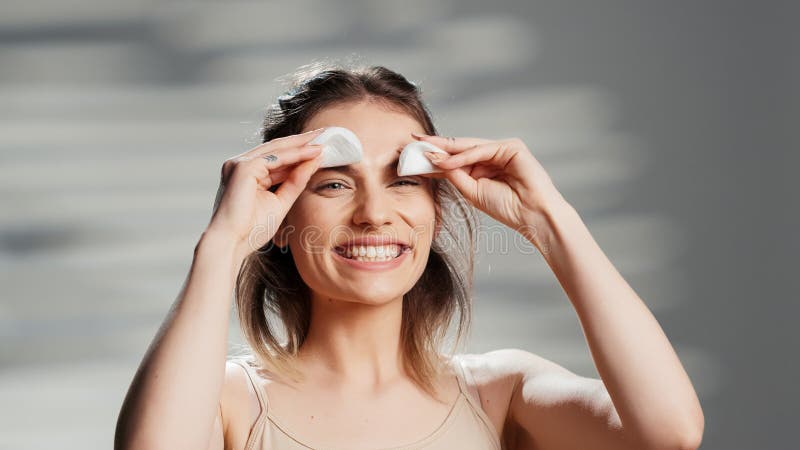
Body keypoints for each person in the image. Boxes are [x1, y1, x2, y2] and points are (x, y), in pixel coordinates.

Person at [115, 62, 704, 450]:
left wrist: (547, 219)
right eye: (334, 184)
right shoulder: (228, 401)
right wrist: (224, 242)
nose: (375, 213)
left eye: (404, 182)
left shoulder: (501, 392)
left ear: (436, 211)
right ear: (282, 222)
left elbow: (669, 432)